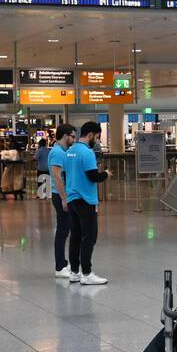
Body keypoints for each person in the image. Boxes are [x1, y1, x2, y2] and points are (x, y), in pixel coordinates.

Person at [64, 121, 109, 285]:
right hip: (86, 199)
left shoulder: (70, 151)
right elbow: (93, 176)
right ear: (90, 135)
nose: (96, 141)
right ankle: (87, 273)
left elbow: (65, 174)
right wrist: (105, 174)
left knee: (75, 236)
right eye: (96, 137)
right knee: (89, 237)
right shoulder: (87, 153)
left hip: (72, 198)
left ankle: (74, 272)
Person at [48, 124, 76, 281]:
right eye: (72, 136)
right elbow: (57, 177)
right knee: (62, 230)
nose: (74, 139)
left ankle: (64, 263)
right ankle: (59, 266)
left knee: (66, 230)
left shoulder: (63, 152)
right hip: (60, 196)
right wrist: (64, 198)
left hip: (63, 195)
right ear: (65, 136)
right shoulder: (58, 153)